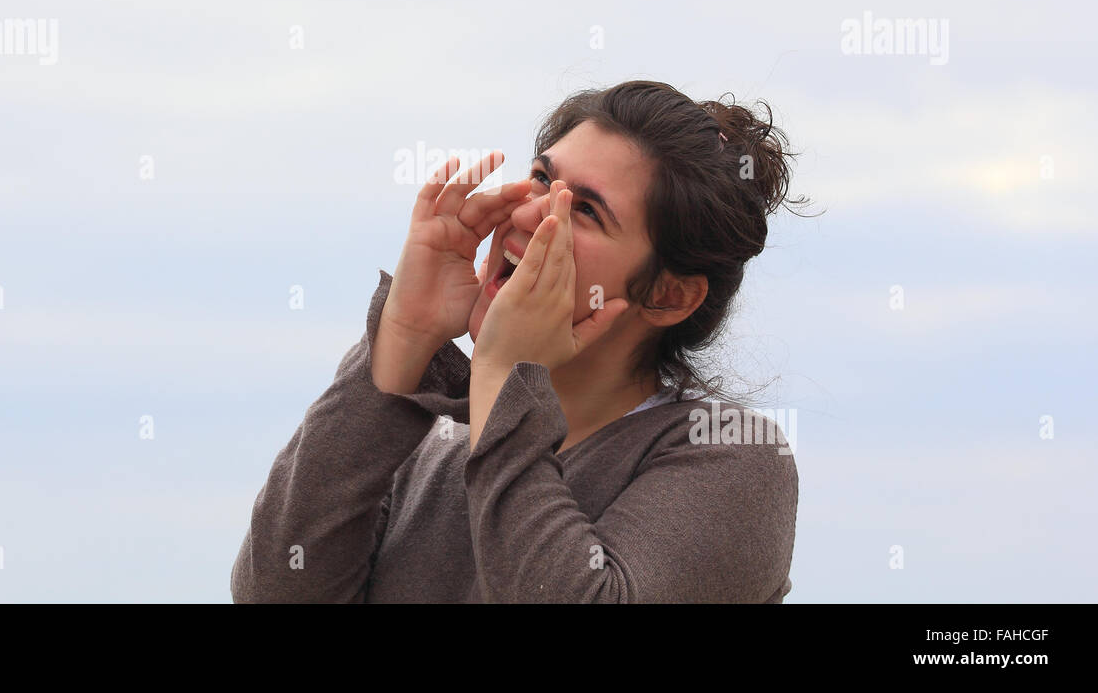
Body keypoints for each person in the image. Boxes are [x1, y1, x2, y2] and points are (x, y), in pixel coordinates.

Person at [232, 80, 810, 602]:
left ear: (668, 296)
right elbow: (276, 594)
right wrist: (404, 339)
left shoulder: (735, 458)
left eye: (583, 210)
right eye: (541, 179)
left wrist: (508, 374)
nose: (533, 214)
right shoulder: (423, 448)